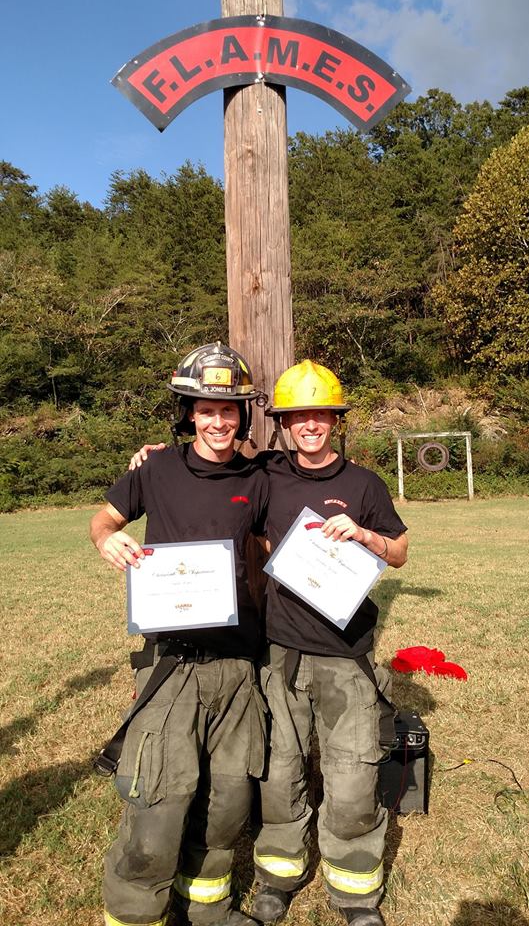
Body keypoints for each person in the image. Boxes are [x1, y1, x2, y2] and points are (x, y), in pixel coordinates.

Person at [130, 359, 408, 926]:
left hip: (347, 654)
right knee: (280, 775)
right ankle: (278, 877)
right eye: (297, 417)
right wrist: (153, 460)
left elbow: (399, 551)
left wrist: (365, 535)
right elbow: (211, 469)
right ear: (281, 423)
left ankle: (355, 894)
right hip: (279, 650)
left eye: (320, 416)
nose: (310, 426)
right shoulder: (267, 474)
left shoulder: (365, 484)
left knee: (353, 776)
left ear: (335, 420)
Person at [90, 342, 269, 926]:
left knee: (227, 801)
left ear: (243, 415)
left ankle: (206, 910)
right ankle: (136, 914)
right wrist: (105, 539)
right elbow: (106, 518)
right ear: (189, 412)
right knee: (159, 799)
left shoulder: (258, 475)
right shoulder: (157, 468)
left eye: (230, 410)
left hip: (240, 662)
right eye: (206, 409)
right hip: (172, 661)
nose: (218, 421)